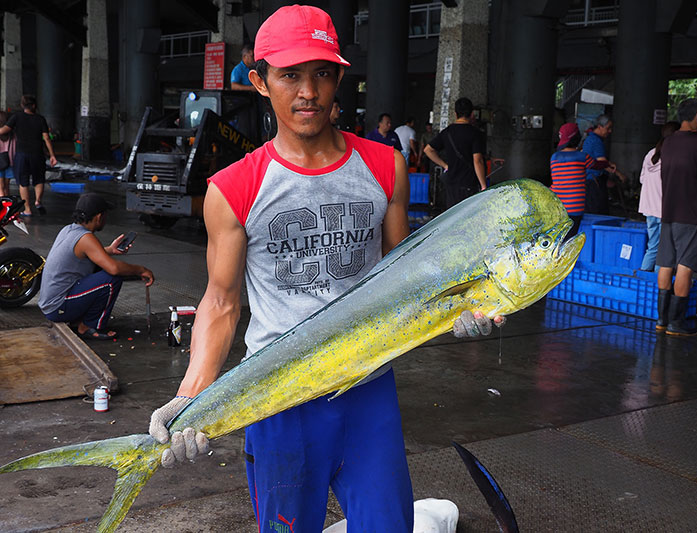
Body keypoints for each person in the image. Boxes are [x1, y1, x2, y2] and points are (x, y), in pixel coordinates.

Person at [146, 6, 503, 533]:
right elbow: (221, 300)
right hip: (279, 401)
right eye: (289, 75)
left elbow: (407, 277)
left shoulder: (385, 166)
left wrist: (463, 307)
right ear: (260, 83)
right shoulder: (233, 188)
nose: (307, 91)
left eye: (321, 73)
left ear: (338, 77)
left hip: (368, 393)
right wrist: (192, 392)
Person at [38, 193, 154, 340]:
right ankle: (89, 326)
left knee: (100, 268)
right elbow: (114, 268)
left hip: (51, 304)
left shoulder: (69, 230)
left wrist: (111, 250)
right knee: (112, 279)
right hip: (58, 307)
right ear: (99, 217)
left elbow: (84, 254)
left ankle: (79, 319)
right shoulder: (86, 238)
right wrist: (141, 270)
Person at [656, 98, 697, 336]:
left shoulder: (668, 142)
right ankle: (676, 324)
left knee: (666, 263)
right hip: (693, 215)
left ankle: (662, 321)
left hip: (668, 213)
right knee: (684, 267)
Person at [549, 122, 611, 239]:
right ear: (577, 139)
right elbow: (597, 165)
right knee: (570, 239)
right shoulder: (582, 157)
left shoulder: (554, 158)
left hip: (557, 205)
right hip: (575, 207)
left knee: (559, 239)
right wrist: (608, 164)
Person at [423, 97, 487, 209]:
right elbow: (478, 160)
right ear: (472, 114)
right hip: (469, 184)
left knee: (454, 217)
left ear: (455, 113)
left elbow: (428, 150)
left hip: (452, 184)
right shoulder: (475, 134)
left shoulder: (447, 132)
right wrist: (483, 185)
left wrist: (445, 165)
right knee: (468, 217)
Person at [0, 95, 58, 216]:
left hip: (22, 154)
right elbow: (46, 137)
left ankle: (27, 209)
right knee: (39, 179)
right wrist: (52, 155)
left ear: (22, 106)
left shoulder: (17, 117)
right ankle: (38, 201)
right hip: (37, 153)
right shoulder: (40, 119)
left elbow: (3, 130)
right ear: (34, 106)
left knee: (23, 182)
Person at [638, 121, 680, 271]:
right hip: (664, 210)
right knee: (665, 251)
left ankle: (642, 278)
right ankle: (658, 286)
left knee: (653, 247)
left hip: (649, 209)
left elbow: (642, 179)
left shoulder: (651, 153)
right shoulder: (674, 155)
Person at [582, 114, 625, 214]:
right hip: (593, 182)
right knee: (597, 211)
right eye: (608, 128)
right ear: (600, 127)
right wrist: (620, 175)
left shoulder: (589, 138)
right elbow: (602, 163)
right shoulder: (596, 141)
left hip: (589, 180)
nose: (610, 131)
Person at [0, 111, 15, 197]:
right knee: (6, 188)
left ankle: (2, 209)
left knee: (0, 189)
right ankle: (8, 208)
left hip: (0, 163)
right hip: (10, 162)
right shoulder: (12, 135)